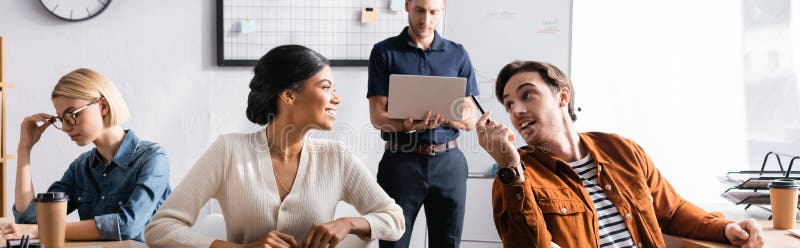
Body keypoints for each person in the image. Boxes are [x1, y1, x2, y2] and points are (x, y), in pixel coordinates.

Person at [477, 61, 764, 248]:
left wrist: (726, 227)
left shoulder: (622, 151)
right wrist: (510, 167)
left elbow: (673, 211)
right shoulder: (514, 177)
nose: (516, 110)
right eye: (509, 104)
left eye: (527, 95)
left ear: (562, 98)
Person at [145, 45, 405, 248]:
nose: (336, 98)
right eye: (326, 87)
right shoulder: (228, 151)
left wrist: (349, 223)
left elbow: (394, 219)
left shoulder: (336, 157)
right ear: (289, 95)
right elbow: (161, 228)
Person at [1, 68, 171, 242]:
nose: (66, 127)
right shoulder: (81, 167)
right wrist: (24, 149)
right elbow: (29, 220)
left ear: (103, 106)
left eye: (72, 115)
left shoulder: (153, 158)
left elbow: (127, 226)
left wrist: (41, 231)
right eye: (61, 119)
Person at [367, 0, 479, 247]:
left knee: (447, 243)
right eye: (419, 10)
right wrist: (410, 125)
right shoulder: (384, 52)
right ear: (407, 5)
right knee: (393, 241)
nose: (426, 20)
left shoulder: (458, 54)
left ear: (443, 10)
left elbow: (471, 120)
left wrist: (445, 115)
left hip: (449, 164)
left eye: (433, 12)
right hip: (401, 164)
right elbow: (378, 117)